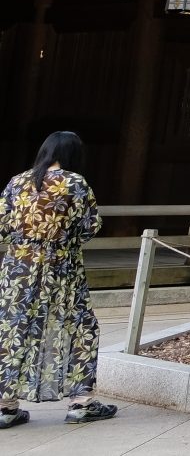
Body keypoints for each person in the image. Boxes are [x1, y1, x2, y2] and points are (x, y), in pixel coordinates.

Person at [0, 133, 116, 427]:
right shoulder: (74, 182)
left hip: (17, 270)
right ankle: (81, 403)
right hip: (61, 269)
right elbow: (91, 226)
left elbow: (2, 228)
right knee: (81, 327)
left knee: (13, 331)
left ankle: (6, 406)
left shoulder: (16, 182)